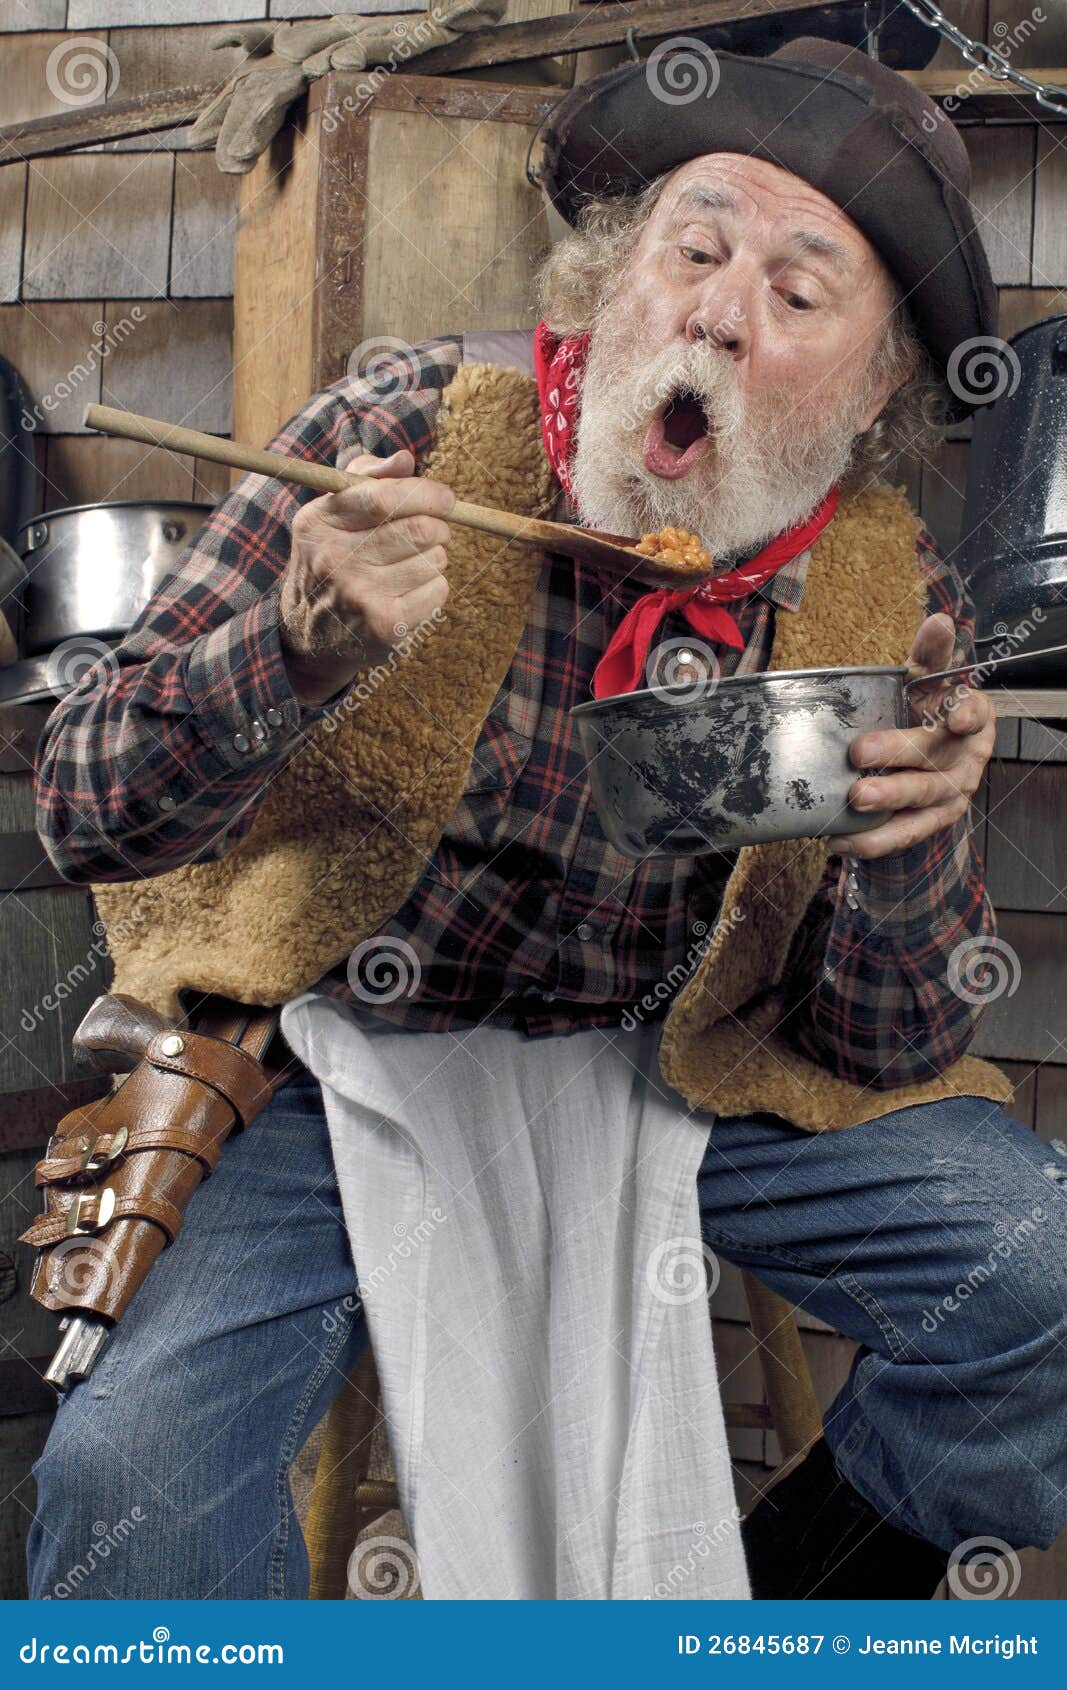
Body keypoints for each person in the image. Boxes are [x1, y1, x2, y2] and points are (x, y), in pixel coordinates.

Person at [26, 38, 1066, 1600]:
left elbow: (885, 1050)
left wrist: (904, 848)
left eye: (800, 294)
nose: (722, 310)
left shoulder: (880, 585)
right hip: (337, 1058)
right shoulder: (402, 434)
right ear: (607, 280)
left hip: (679, 1066)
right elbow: (82, 802)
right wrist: (289, 655)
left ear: (872, 395)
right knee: (133, 1484)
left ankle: (774, 1629)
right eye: (694, 250)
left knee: (1037, 1276)